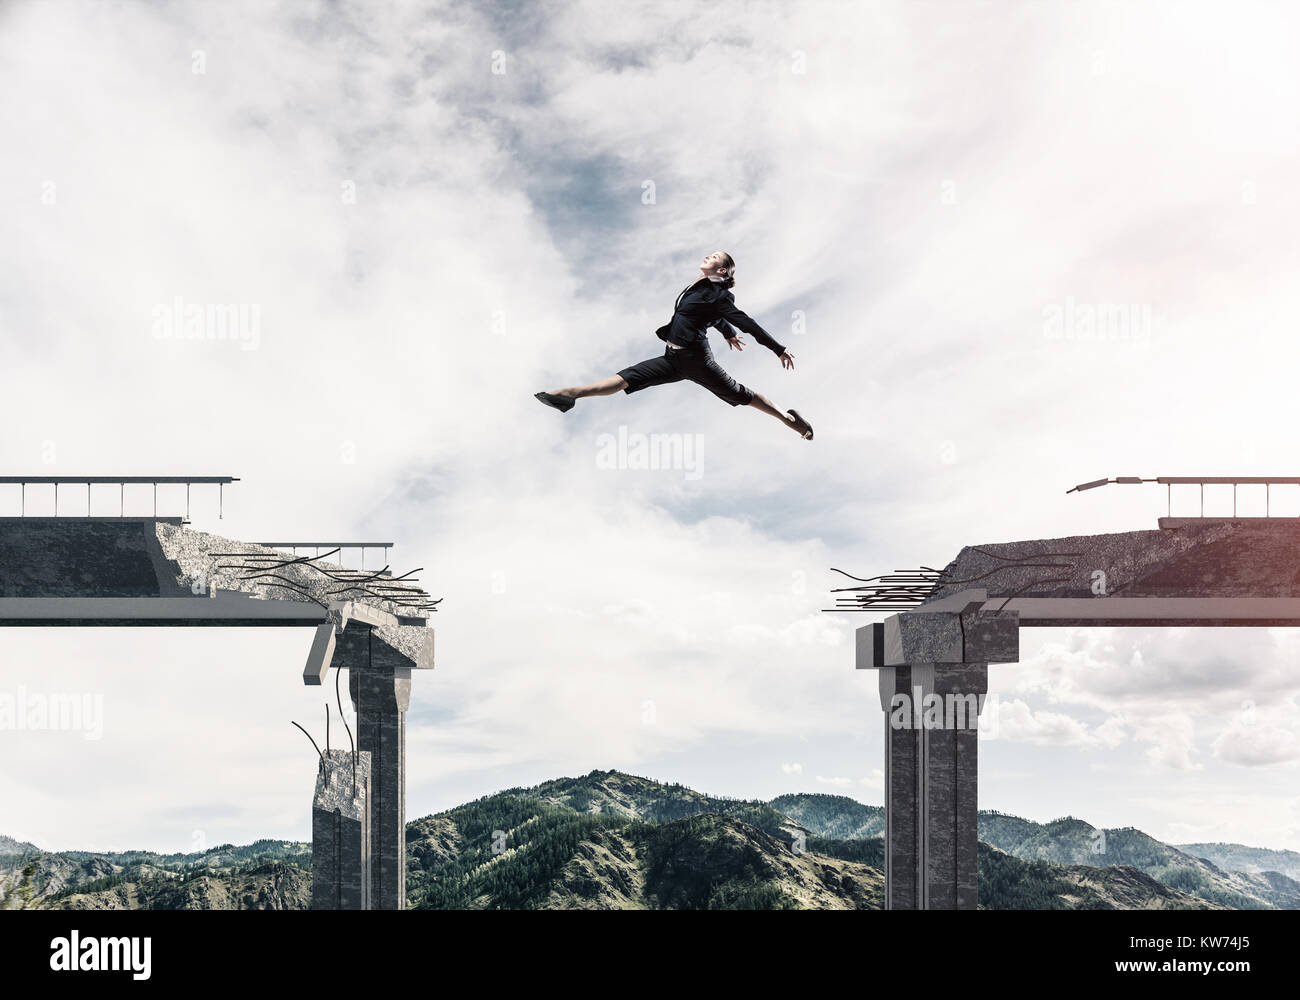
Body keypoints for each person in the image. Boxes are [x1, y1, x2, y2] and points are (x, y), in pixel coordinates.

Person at [535, 251, 813, 439]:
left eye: (715, 256)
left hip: (697, 360)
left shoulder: (719, 295)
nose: (708, 256)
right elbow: (707, 316)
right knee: (624, 379)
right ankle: (567, 395)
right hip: (672, 359)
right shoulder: (702, 287)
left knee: (742, 395)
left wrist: (778, 348)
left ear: (722, 269)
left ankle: (790, 420)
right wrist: (726, 331)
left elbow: (747, 323)